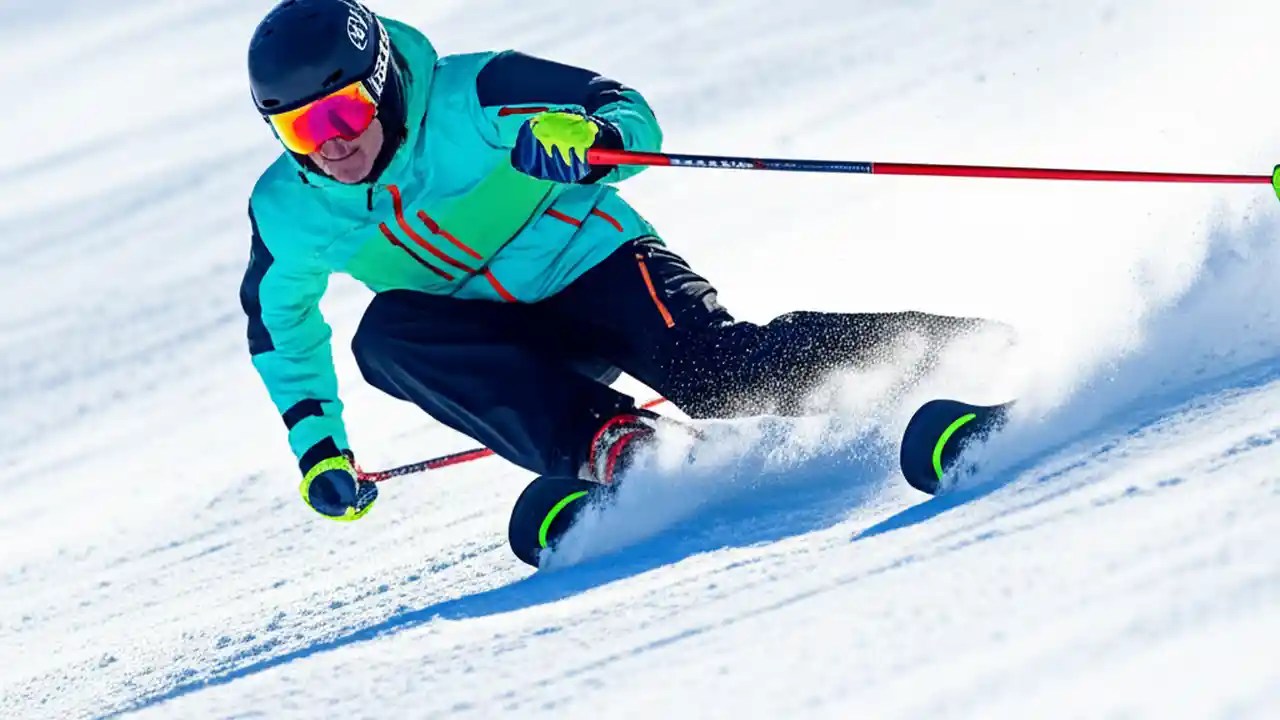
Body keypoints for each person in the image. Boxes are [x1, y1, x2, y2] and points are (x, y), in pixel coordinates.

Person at [240, 0, 984, 535]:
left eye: (340, 114)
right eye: (298, 129)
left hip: (597, 269)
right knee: (386, 339)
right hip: (502, 338)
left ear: (382, 82)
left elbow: (627, 111)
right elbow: (282, 324)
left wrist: (589, 135)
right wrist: (318, 449)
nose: (329, 146)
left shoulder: (474, 93)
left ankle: (965, 353)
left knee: (722, 377)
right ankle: (616, 448)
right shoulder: (289, 208)